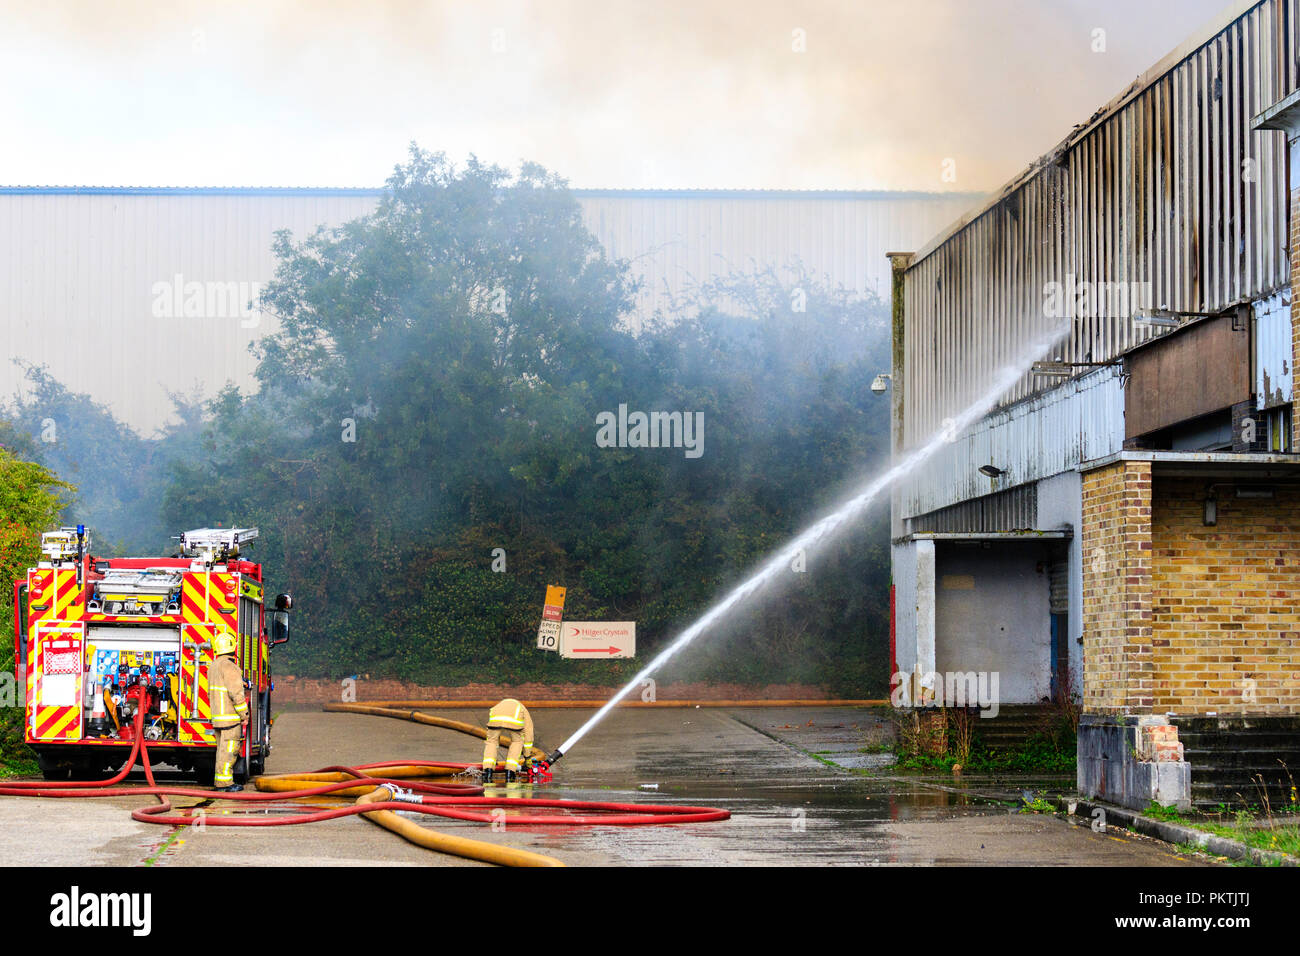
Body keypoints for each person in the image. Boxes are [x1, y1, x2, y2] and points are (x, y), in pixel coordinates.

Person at [209, 631, 248, 792]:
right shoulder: (230, 666)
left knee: (222, 751)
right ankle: (225, 784)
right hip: (230, 719)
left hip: (218, 718)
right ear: (233, 647)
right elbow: (236, 694)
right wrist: (244, 715)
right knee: (229, 752)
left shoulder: (214, 665)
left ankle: (220, 781)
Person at [482, 698, 533, 783]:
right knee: (517, 742)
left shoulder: (501, 704)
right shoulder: (524, 711)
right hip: (514, 719)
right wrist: (527, 757)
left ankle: (488, 770)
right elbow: (528, 737)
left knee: (492, 741)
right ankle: (510, 771)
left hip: (495, 715)